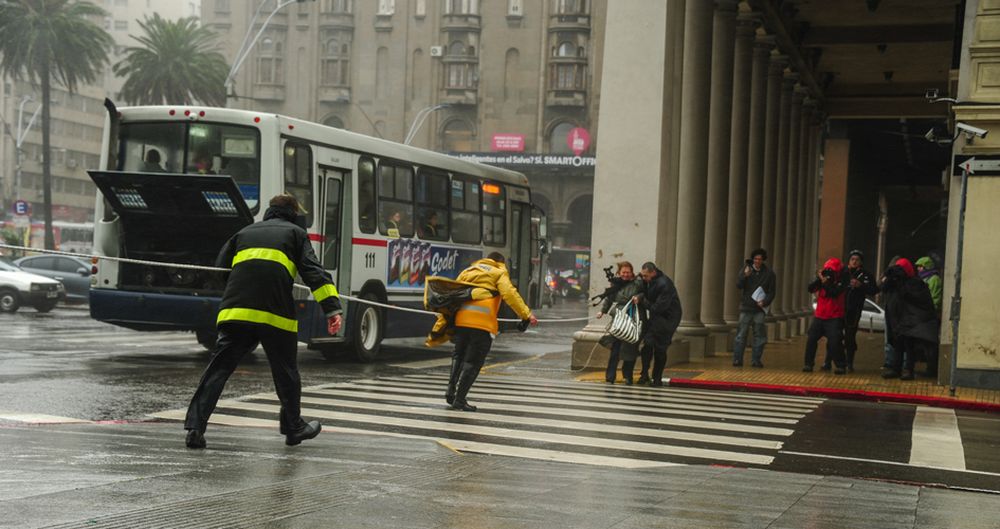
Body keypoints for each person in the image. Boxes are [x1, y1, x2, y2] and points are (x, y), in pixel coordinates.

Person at [184, 194, 343, 449]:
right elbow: (314, 272)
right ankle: (293, 428)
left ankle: (194, 428)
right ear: (293, 214)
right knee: (286, 373)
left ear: (269, 211)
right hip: (274, 315)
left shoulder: (244, 232)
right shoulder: (295, 234)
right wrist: (332, 309)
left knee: (218, 371)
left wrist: (240, 292)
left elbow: (220, 269)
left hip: (235, 313)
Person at [445, 252, 537, 411]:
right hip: (481, 323)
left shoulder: (469, 270)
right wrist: (526, 314)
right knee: (473, 362)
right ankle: (459, 400)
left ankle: (450, 389)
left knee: (458, 354)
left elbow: (454, 292)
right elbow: (509, 294)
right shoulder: (499, 272)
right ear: (500, 262)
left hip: (460, 320)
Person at [880, 258, 940, 380]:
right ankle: (896, 369)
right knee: (897, 345)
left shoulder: (915, 283)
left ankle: (908, 369)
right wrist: (889, 276)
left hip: (910, 321)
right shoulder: (893, 283)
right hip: (897, 321)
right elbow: (882, 288)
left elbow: (917, 299)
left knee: (909, 346)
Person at [632, 262, 682, 387]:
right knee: (647, 345)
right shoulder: (650, 280)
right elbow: (643, 289)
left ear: (653, 272)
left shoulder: (665, 284)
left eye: (646, 276)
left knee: (660, 348)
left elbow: (657, 308)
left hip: (668, 319)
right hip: (657, 318)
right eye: (643, 275)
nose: (644, 278)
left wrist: (642, 300)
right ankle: (644, 374)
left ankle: (657, 378)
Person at [596, 261, 644, 384]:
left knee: (630, 348)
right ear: (619, 273)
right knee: (615, 349)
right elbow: (609, 298)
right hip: (618, 319)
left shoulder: (638, 283)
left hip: (632, 318)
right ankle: (610, 376)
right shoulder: (615, 284)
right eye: (623, 272)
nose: (626, 275)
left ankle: (627, 375)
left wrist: (638, 297)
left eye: (628, 272)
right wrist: (602, 311)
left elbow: (644, 293)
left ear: (632, 272)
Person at [803, 257, 849, 374]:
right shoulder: (822, 279)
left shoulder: (843, 280)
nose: (829, 273)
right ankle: (808, 364)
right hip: (820, 315)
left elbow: (835, 293)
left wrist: (826, 283)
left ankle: (840, 365)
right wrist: (819, 279)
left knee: (835, 341)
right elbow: (810, 288)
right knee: (811, 339)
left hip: (834, 316)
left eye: (832, 270)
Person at [732, 248, 776, 368]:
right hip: (746, 307)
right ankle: (737, 359)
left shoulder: (769, 274)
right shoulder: (746, 270)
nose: (757, 261)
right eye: (755, 259)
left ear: (763, 260)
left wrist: (765, 301)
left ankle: (756, 360)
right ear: (753, 259)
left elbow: (772, 292)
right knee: (741, 334)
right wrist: (745, 276)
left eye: (760, 259)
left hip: (759, 309)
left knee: (759, 335)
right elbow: (739, 285)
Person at [843, 250, 879, 373]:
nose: (854, 261)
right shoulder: (843, 272)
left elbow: (874, 290)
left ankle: (849, 362)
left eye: (857, 260)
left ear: (861, 262)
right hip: (839, 308)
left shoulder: (866, 275)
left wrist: (861, 285)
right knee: (835, 335)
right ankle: (829, 361)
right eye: (852, 259)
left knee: (849, 336)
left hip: (854, 309)